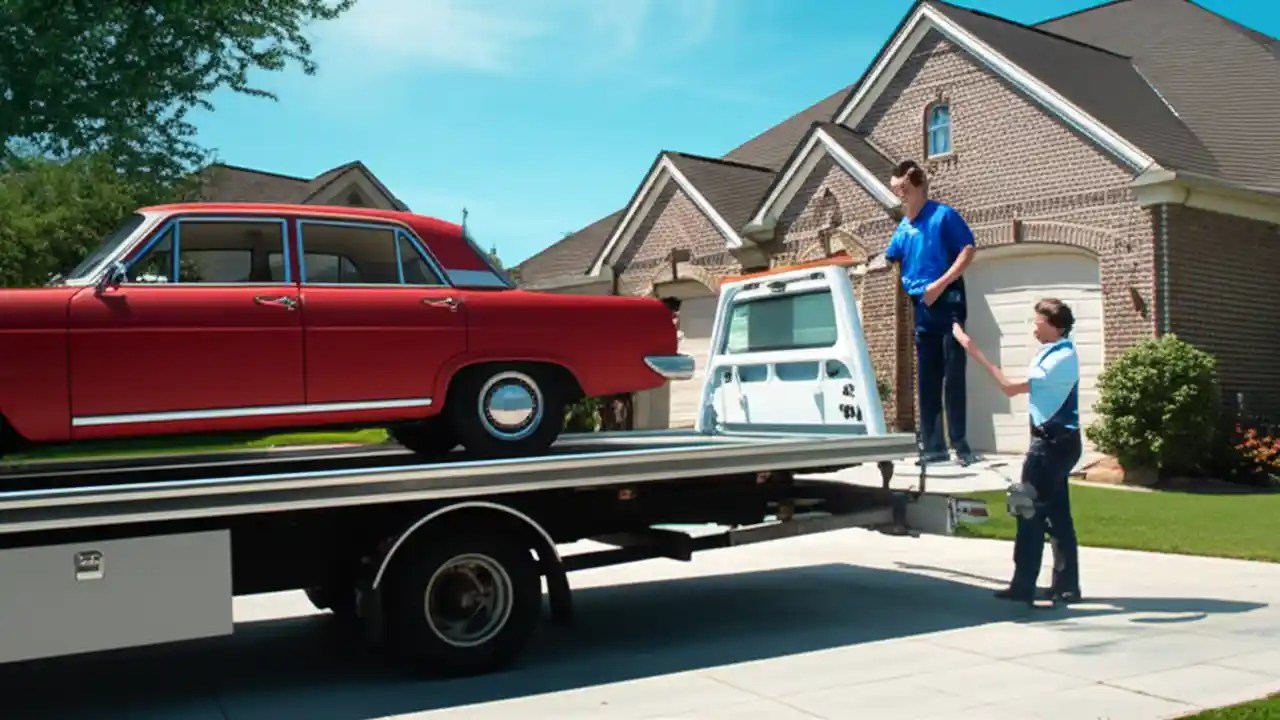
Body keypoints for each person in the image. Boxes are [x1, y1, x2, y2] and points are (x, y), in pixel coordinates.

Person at [951, 299, 1083, 605]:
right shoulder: (1052, 352)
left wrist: (973, 350)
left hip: (1050, 446)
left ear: (1054, 324)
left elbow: (1010, 388)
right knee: (1059, 516)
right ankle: (1066, 587)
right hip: (1058, 443)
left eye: (1038, 321)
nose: (1033, 326)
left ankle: (1024, 586)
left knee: (1028, 511)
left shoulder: (1061, 358)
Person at [880, 160, 978, 466]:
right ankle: (933, 446)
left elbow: (968, 249)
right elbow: (891, 257)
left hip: (947, 300)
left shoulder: (943, 215)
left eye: (905, 190)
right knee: (928, 379)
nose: (901, 197)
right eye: (897, 191)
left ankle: (961, 447)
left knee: (953, 376)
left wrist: (940, 283)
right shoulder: (905, 227)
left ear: (920, 185)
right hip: (920, 306)